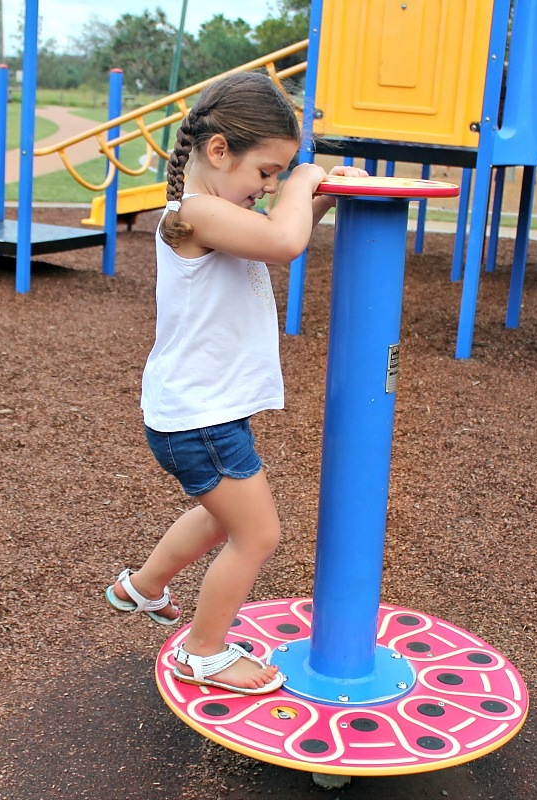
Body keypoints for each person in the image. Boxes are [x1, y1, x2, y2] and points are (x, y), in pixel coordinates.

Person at [104, 72, 366, 696]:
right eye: (267, 172)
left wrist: (319, 196)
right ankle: (204, 652)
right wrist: (305, 181)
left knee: (220, 518)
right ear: (218, 151)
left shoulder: (213, 211)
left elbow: (280, 228)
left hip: (197, 414)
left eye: (280, 176)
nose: (272, 185)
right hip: (200, 419)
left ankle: (140, 587)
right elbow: (283, 240)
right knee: (258, 534)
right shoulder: (196, 214)